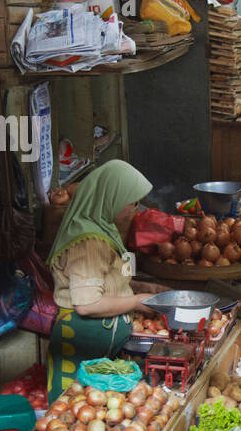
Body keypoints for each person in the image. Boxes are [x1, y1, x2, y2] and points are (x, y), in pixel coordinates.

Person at [46, 160, 164, 403]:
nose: (135, 209)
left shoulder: (104, 228)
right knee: (71, 411)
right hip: (80, 341)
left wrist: (148, 289)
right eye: (132, 202)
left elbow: (106, 280)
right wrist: (138, 301)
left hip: (100, 344)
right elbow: (87, 304)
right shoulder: (88, 241)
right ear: (110, 198)